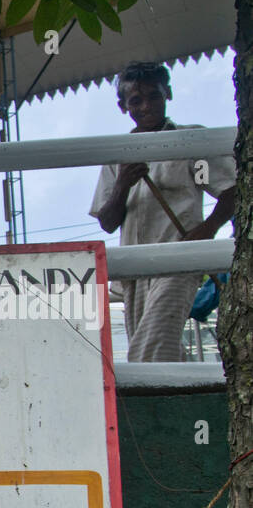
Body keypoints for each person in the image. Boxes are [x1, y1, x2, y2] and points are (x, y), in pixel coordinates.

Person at [90, 61, 236, 362]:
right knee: (161, 346)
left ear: (167, 93)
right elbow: (107, 222)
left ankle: (150, 393)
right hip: (134, 270)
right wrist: (123, 184)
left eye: (154, 96)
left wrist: (208, 228)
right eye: (136, 100)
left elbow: (233, 191)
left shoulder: (190, 141)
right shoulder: (117, 155)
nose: (146, 106)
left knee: (152, 348)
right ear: (123, 106)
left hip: (179, 260)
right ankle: (193, 390)